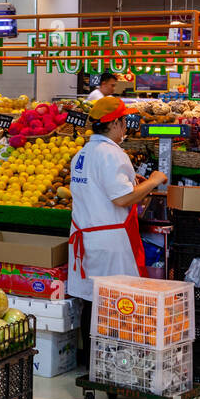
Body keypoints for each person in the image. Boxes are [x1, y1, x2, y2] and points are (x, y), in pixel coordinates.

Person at [67, 96, 168, 359]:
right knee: (117, 304)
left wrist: (132, 182)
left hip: (87, 238)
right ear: (114, 124)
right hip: (109, 242)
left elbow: (101, 187)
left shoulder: (83, 153)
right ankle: (114, 366)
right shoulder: (112, 153)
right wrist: (154, 181)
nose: (126, 126)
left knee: (92, 301)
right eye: (124, 121)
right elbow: (122, 198)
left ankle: (91, 363)